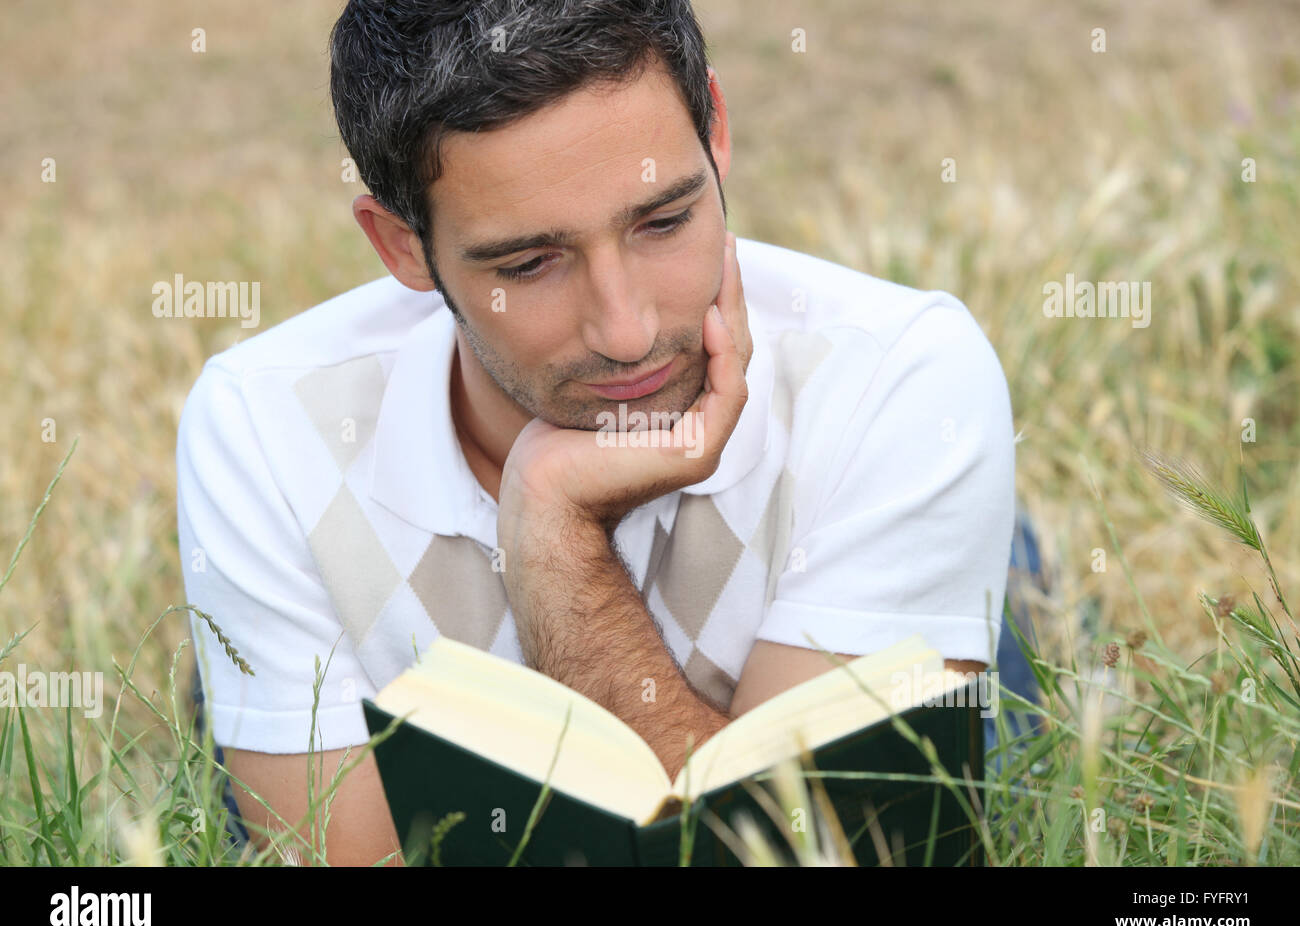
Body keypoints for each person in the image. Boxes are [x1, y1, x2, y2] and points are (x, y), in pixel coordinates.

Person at [179, 0, 1018, 865]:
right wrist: (553, 516)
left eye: (663, 221)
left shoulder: (898, 378)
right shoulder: (263, 429)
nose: (626, 333)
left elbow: (810, 853)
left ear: (715, 131)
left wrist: (556, 537)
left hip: (881, 531)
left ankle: (1011, 565)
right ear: (403, 247)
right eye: (529, 265)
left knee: (1004, 705)